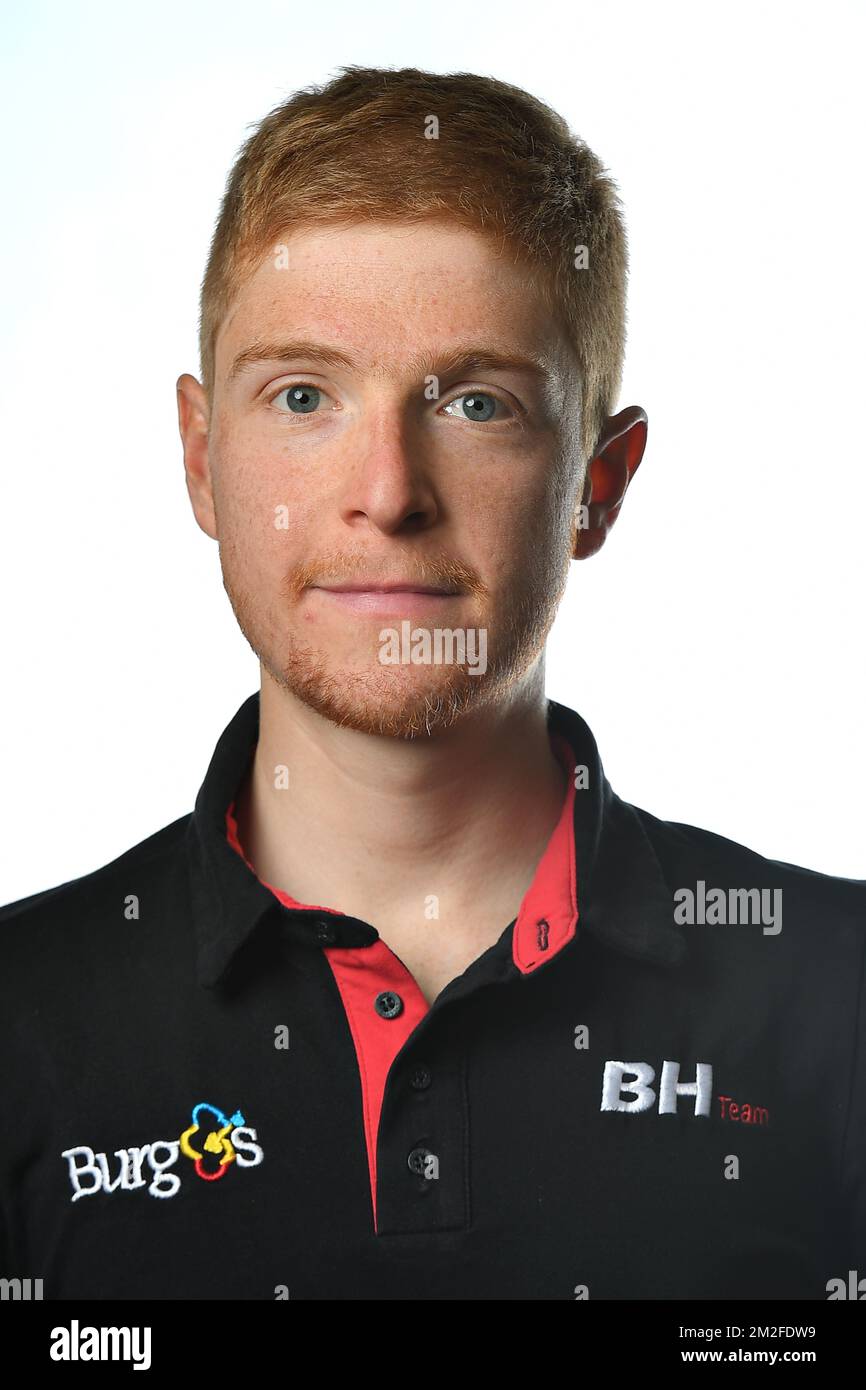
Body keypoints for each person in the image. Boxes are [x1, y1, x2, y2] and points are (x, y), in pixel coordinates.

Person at [1, 65, 863, 1302]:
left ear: (596, 483)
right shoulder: (20, 1024)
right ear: (202, 460)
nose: (388, 490)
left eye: (473, 402)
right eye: (302, 395)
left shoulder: (835, 1001)